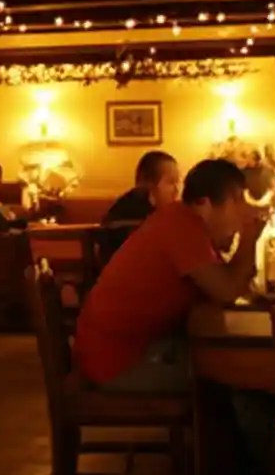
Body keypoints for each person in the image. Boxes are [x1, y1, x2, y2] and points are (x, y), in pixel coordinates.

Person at [74, 158, 262, 394]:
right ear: (204, 204)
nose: (244, 209)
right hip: (117, 362)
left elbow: (223, 283)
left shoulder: (182, 221)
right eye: (236, 199)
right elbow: (227, 291)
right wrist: (249, 238)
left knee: (227, 363)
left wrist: (226, 242)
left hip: (124, 348)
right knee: (229, 373)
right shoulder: (182, 227)